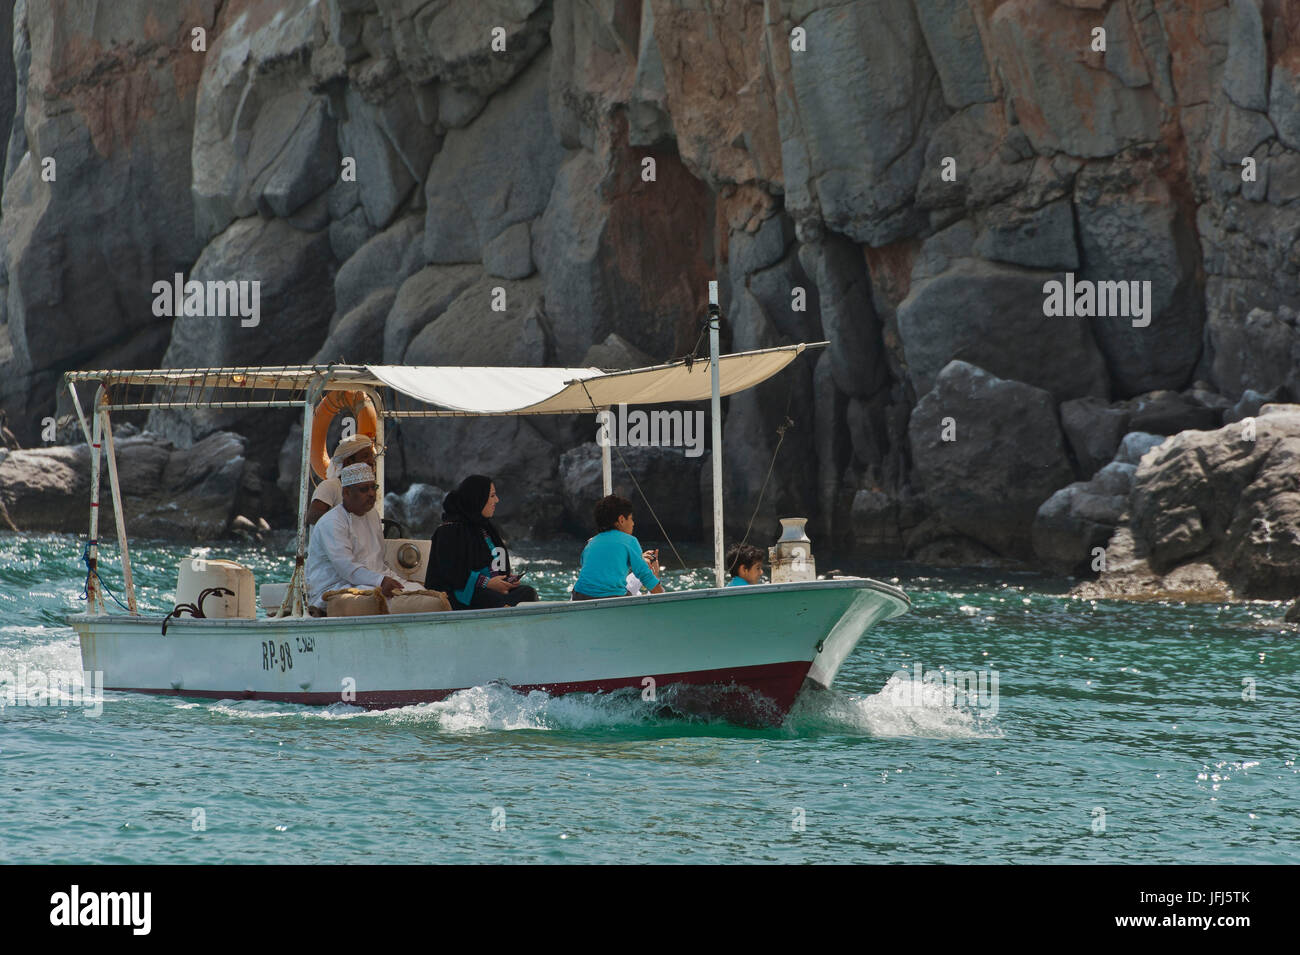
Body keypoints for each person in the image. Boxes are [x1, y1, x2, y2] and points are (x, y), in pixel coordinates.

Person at [306, 463, 416, 614]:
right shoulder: (331, 522)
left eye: (373, 487)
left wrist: (391, 580)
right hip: (335, 587)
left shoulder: (373, 514)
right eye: (364, 489)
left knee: (418, 591)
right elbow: (346, 568)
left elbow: (377, 562)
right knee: (375, 599)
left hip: (371, 580)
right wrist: (380, 581)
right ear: (346, 493)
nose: (371, 494)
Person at [425, 475, 539, 610]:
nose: (497, 500)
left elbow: (494, 564)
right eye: (492, 496)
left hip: (490, 591)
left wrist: (506, 580)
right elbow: (451, 574)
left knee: (528, 593)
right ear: (477, 498)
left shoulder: (485, 528)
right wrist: (487, 583)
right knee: (494, 600)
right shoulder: (449, 531)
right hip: (463, 594)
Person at [572, 495, 664, 600]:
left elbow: (593, 569)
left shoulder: (591, 542)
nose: (633, 523)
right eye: (631, 519)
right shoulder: (630, 541)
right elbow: (645, 575)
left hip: (579, 596)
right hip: (611, 598)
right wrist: (665, 601)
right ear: (621, 520)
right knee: (638, 593)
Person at [306, 434, 377, 527]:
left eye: (372, 456)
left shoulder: (369, 490)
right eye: (365, 456)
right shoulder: (330, 486)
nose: (371, 461)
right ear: (348, 462)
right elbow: (312, 516)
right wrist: (344, 528)